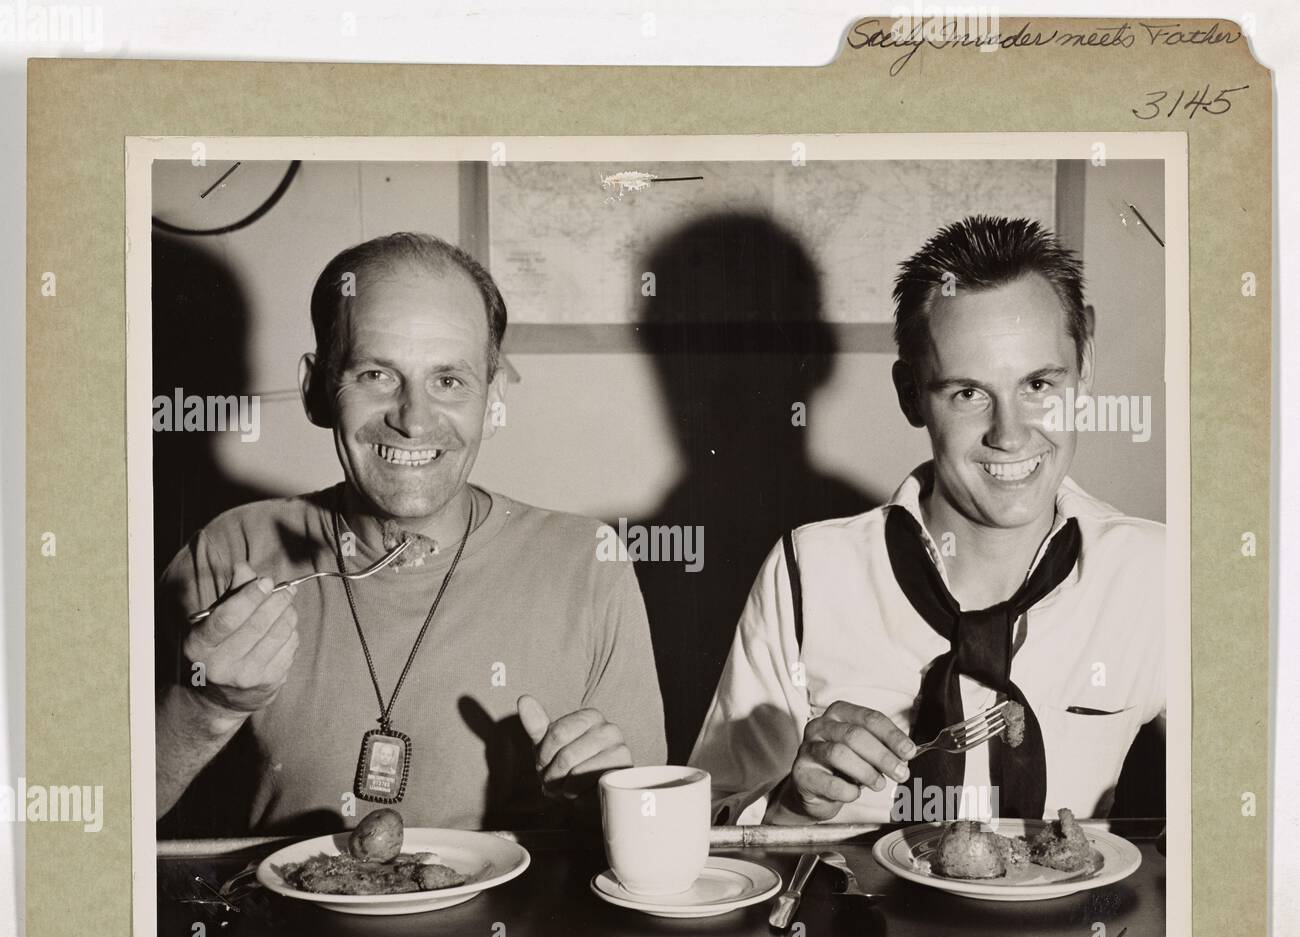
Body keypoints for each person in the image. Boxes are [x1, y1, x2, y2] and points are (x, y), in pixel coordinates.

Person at [156, 232, 665, 834]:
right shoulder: (228, 552)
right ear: (317, 390)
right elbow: (100, 837)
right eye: (376, 374)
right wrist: (204, 709)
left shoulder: (588, 563)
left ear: (493, 399)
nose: (414, 418)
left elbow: (652, 839)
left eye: (449, 381)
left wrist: (604, 804)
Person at [692, 215, 1165, 826]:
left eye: (1039, 383)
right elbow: (709, 839)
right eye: (967, 393)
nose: (1010, 434)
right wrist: (794, 804)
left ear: (1084, 372)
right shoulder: (806, 572)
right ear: (911, 393)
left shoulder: (1155, 574)